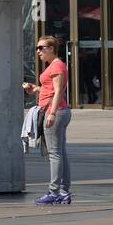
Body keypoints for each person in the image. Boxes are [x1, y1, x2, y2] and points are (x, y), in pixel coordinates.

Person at [23, 34, 72, 205]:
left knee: (55, 154)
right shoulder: (53, 65)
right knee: (61, 153)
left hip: (56, 112)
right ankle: (64, 192)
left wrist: (51, 113)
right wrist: (35, 89)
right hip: (57, 110)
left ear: (51, 49)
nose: (38, 51)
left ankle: (54, 192)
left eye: (41, 48)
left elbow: (58, 91)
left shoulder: (57, 66)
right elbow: (49, 89)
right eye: (37, 48)